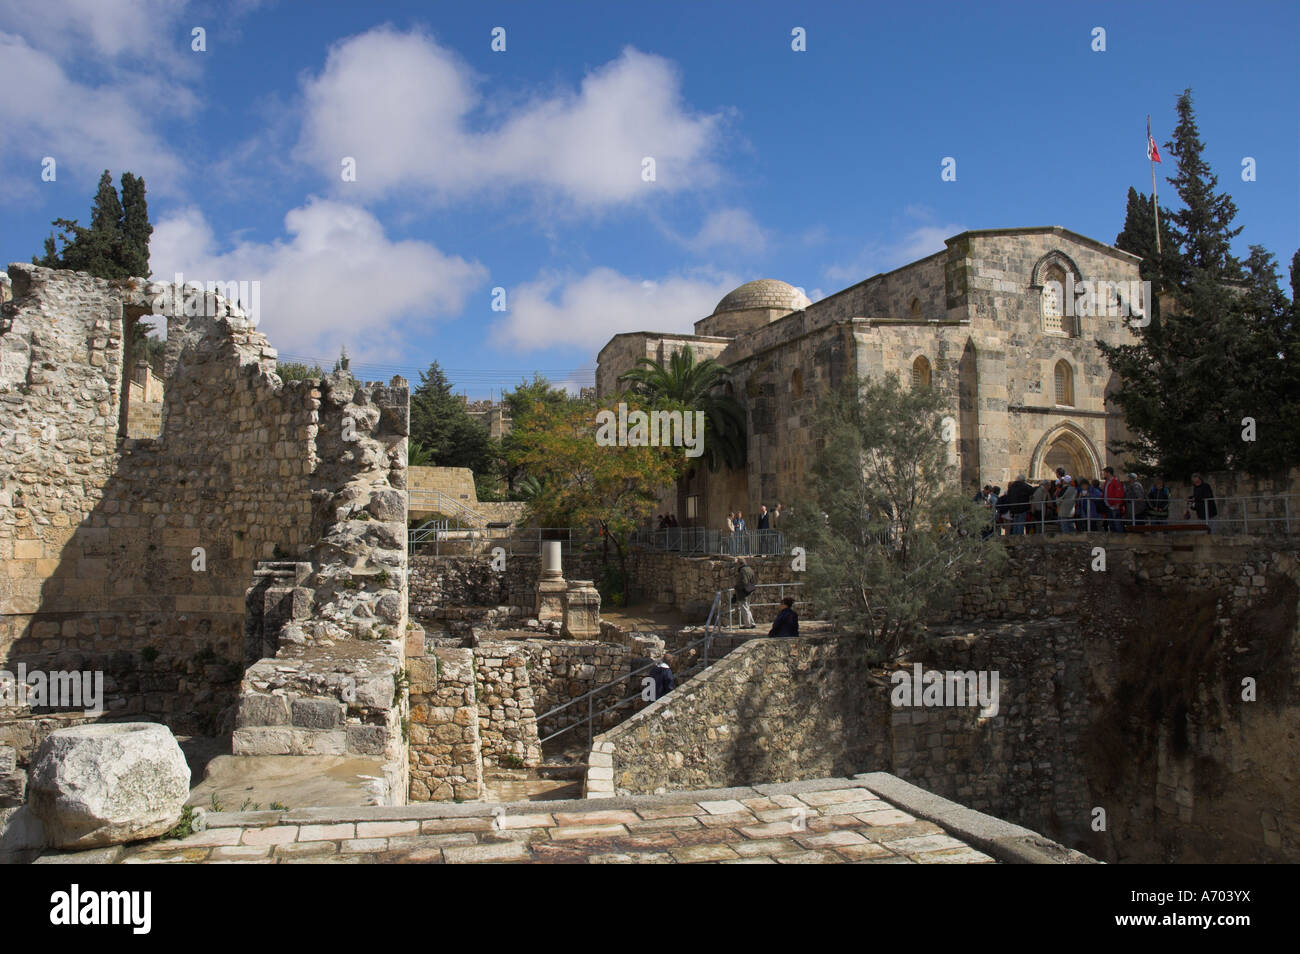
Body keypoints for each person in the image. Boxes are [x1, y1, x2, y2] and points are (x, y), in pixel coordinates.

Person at [734, 557, 757, 628]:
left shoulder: (743, 570)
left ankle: (747, 625)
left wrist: (737, 587)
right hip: (749, 590)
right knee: (747, 607)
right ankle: (752, 623)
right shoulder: (750, 569)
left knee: (744, 608)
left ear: (740, 563)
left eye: (737, 563)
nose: (736, 565)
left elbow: (744, 581)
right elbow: (753, 580)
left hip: (743, 592)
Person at [1103, 467, 1126, 532]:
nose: (1103, 474)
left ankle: (1120, 539)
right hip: (1108, 506)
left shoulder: (1116, 481)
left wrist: (1117, 503)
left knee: (1117, 524)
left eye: (1104, 472)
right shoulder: (1107, 482)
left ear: (1109, 473)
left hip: (1114, 506)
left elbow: (1119, 493)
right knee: (1111, 524)